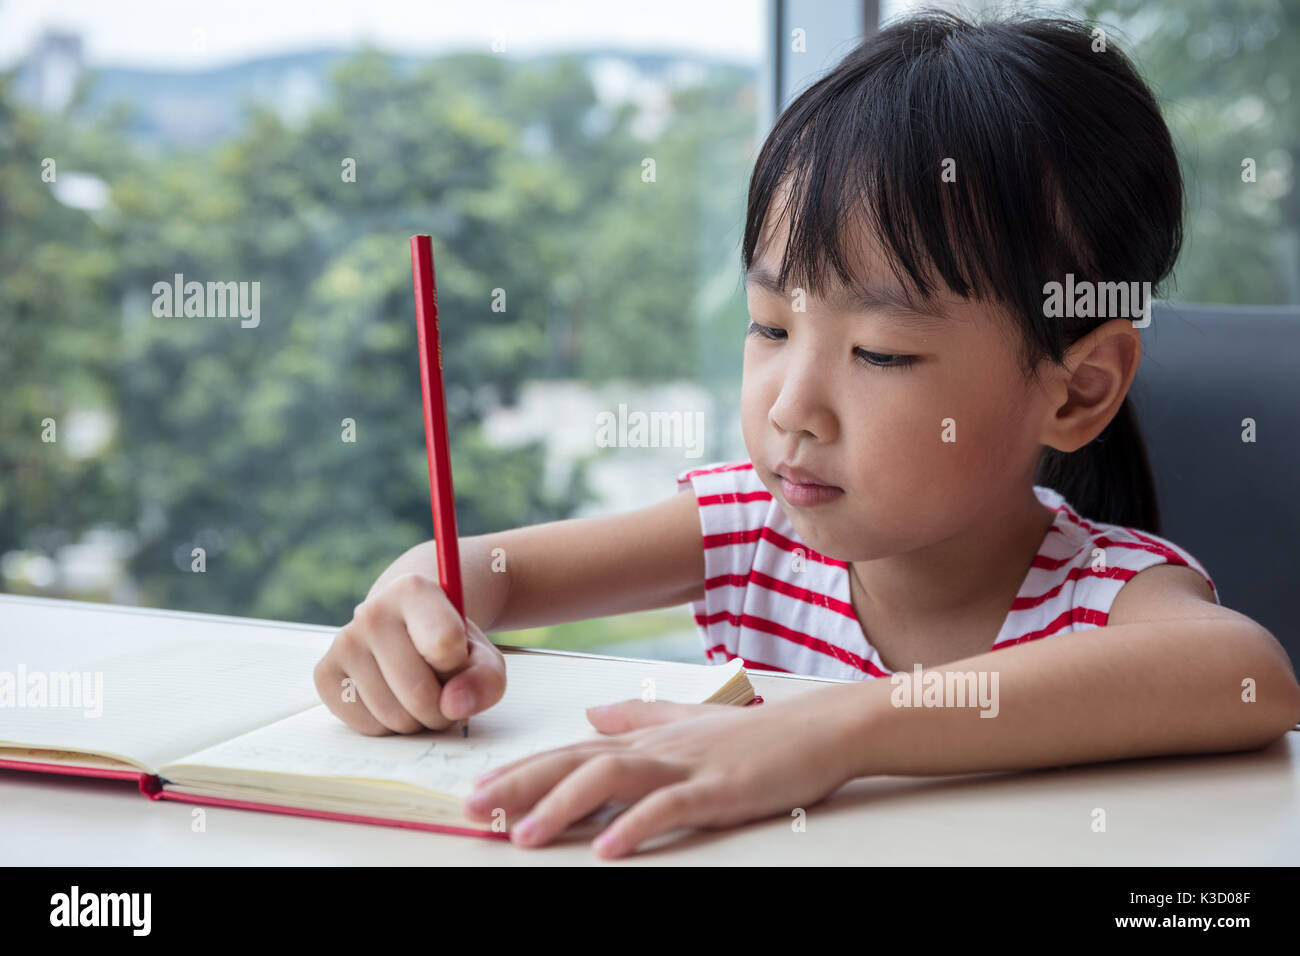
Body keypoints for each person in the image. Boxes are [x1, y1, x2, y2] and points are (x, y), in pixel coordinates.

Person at [313, 11, 1300, 858]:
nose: (792, 406)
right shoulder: (752, 529)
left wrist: (835, 731)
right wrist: (419, 603)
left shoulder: (1103, 594)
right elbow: (496, 571)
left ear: (1076, 390)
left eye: (878, 352)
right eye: (770, 327)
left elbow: (1248, 673)